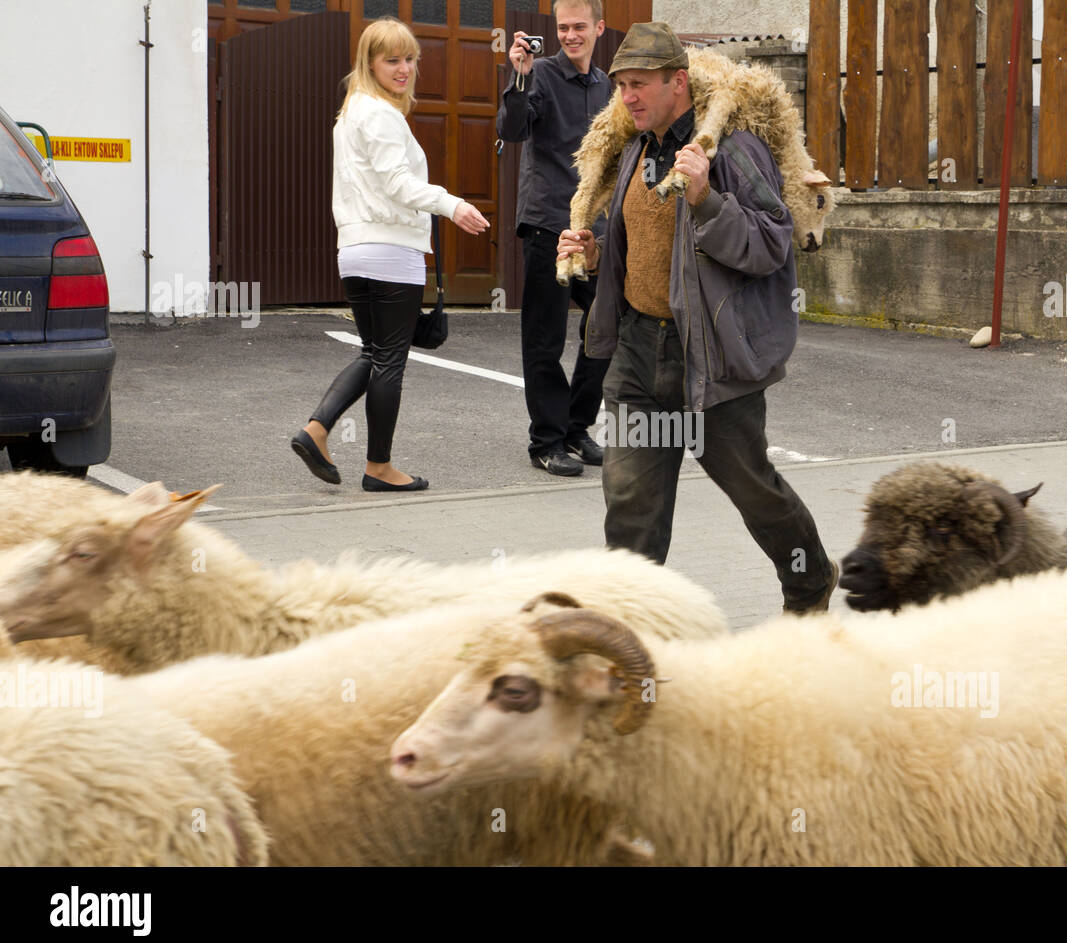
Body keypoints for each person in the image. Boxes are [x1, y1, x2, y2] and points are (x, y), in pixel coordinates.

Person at [556, 22, 838, 612]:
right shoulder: (635, 150)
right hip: (639, 351)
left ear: (678, 82)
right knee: (630, 501)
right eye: (622, 85)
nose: (627, 97)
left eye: (639, 84)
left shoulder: (733, 150)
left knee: (755, 492)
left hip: (710, 356)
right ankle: (628, 625)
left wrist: (707, 198)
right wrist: (595, 253)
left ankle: (811, 582)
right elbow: (649, 253)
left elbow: (771, 244)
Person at [292, 16, 489, 492]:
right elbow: (398, 184)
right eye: (392, 60)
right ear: (370, 63)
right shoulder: (379, 115)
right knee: (389, 361)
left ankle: (316, 429)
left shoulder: (352, 112)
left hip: (355, 251)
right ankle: (378, 467)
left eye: (410, 59)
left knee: (374, 353)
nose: (404, 69)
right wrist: (453, 204)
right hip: (389, 250)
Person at [497, 0, 612, 477]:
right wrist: (519, 76)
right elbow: (512, 128)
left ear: (598, 28)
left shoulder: (608, 85)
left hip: (594, 230)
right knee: (544, 338)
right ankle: (546, 440)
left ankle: (576, 427)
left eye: (579, 26)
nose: (570, 35)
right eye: (562, 27)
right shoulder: (539, 74)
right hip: (549, 223)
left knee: (607, 324)